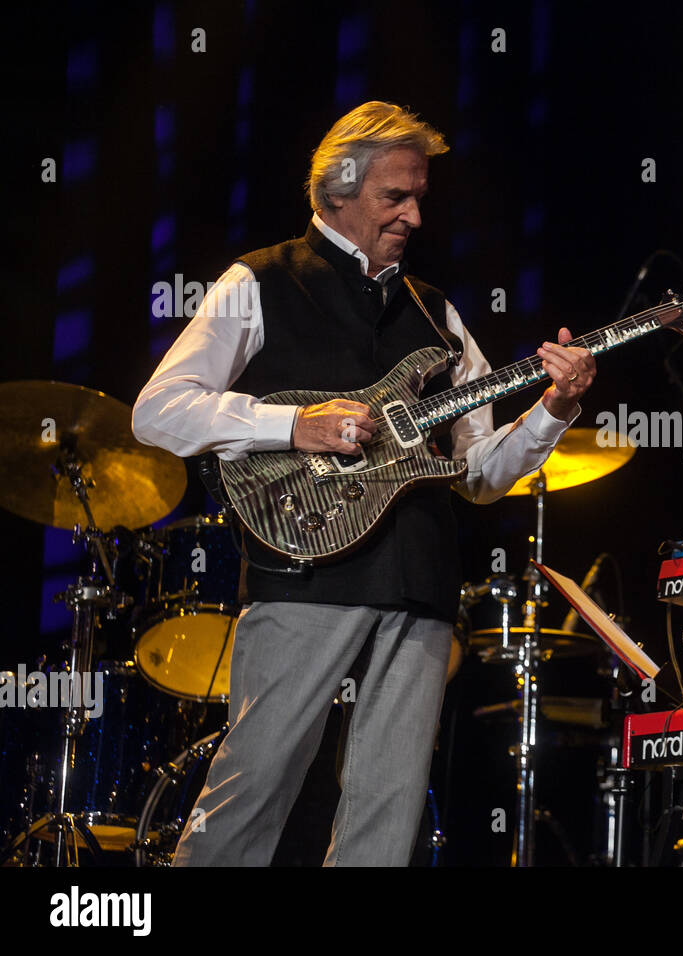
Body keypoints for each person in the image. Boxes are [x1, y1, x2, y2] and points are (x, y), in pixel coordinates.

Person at [132, 101, 596, 865]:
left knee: (387, 816)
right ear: (335, 193)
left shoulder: (437, 315)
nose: (415, 215)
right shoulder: (259, 280)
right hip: (304, 571)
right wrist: (292, 425)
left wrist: (555, 409)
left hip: (419, 584)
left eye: (420, 197)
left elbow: (479, 476)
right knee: (253, 790)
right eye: (395, 196)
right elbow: (159, 410)